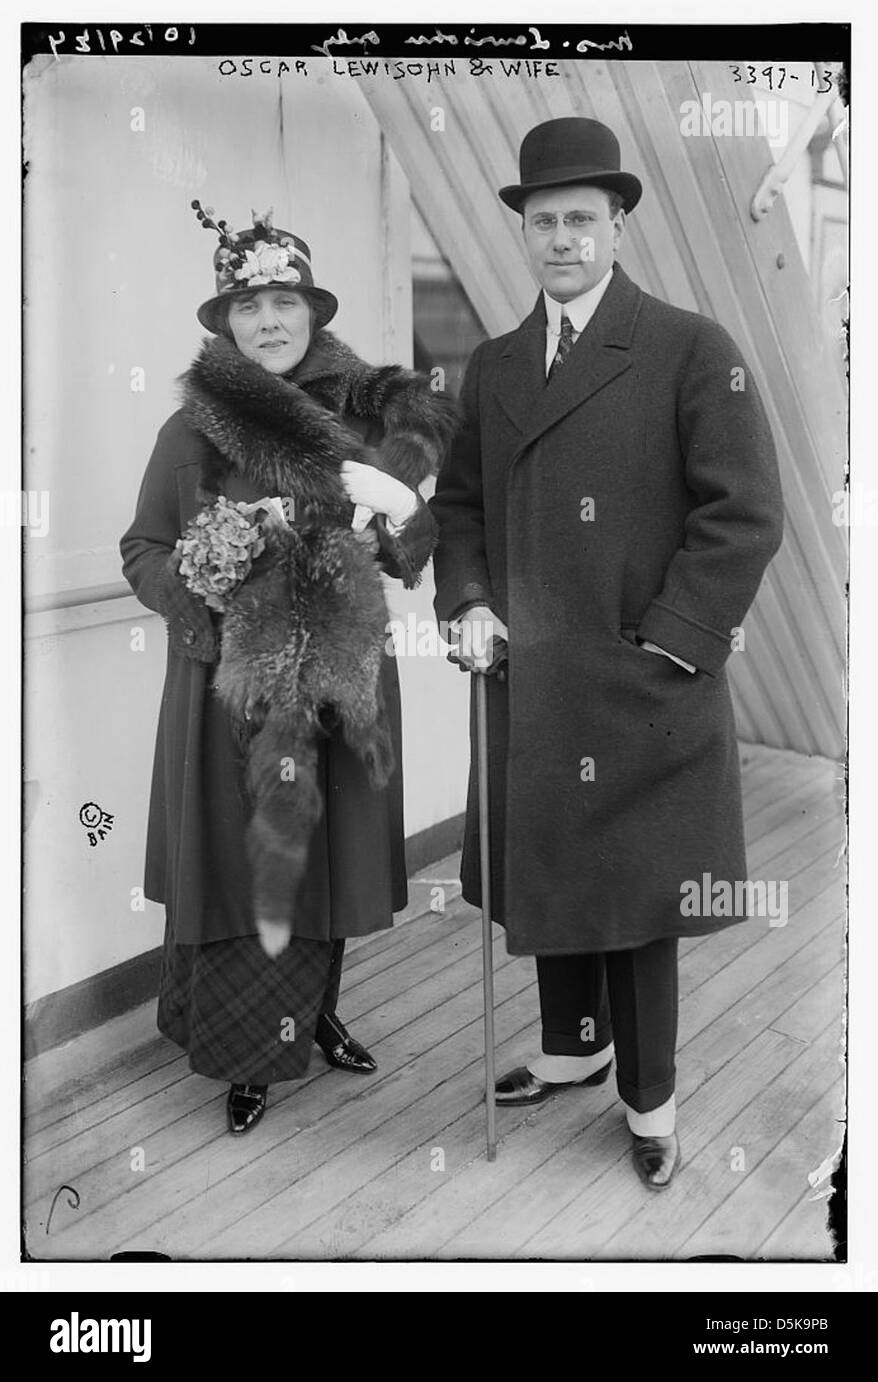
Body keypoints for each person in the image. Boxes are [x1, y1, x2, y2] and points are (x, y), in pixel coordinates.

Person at [431, 118, 784, 1189]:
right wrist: (468, 601)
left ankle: (649, 1099)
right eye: (543, 221)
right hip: (527, 676)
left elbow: (744, 515)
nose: (562, 239)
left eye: (582, 219)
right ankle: (570, 1049)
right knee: (551, 873)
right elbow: (456, 507)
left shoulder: (689, 347)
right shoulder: (491, 366)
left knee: (633, 901)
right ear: (523, 233)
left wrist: (670, 647)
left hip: (641, 680)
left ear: (617, 226)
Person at [121, 203, 456, 1134]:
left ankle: (313, 1013)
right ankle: (248, 1056)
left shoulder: (369, 420)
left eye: (284, 301)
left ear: (312, 311)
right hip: (230, 686)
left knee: (325, 854)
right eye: (248, 305)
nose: (268, 320)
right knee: (247, 864)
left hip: (340, 673)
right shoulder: (192, 428)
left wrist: (398, 520)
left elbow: (413, 540)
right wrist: (203, 582)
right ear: (225, 322)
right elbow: (142, 549)